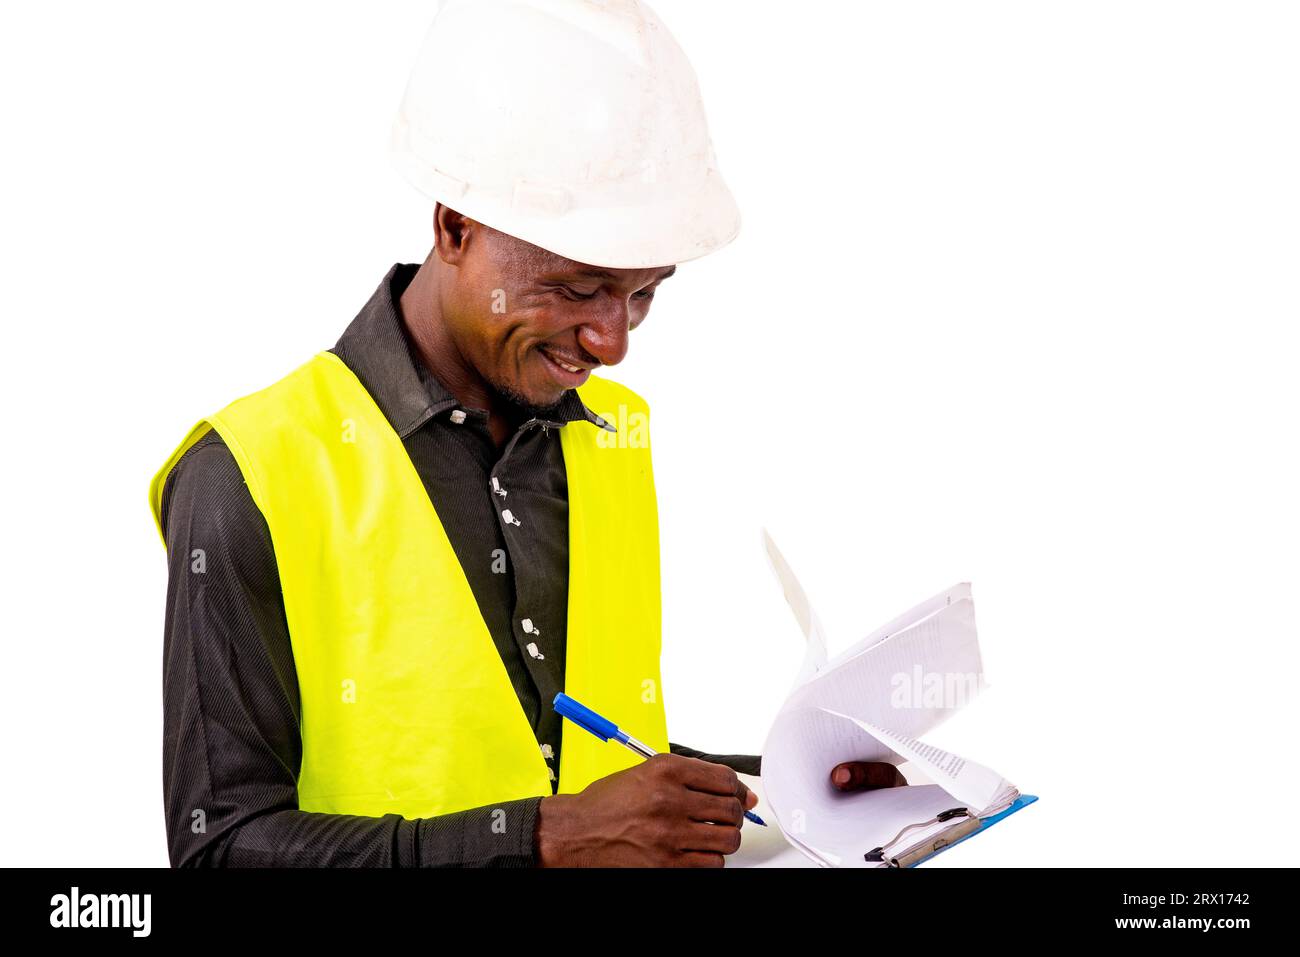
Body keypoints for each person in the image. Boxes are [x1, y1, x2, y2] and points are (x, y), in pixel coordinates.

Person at [148, 0, 906, 868]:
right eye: (579, 289)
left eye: (644, 292)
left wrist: (794, 789)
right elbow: (223, 851)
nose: (613, 342)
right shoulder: (248, 474)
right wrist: (544, 839)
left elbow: (571, 762)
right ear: (455, 228)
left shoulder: (608, 437)